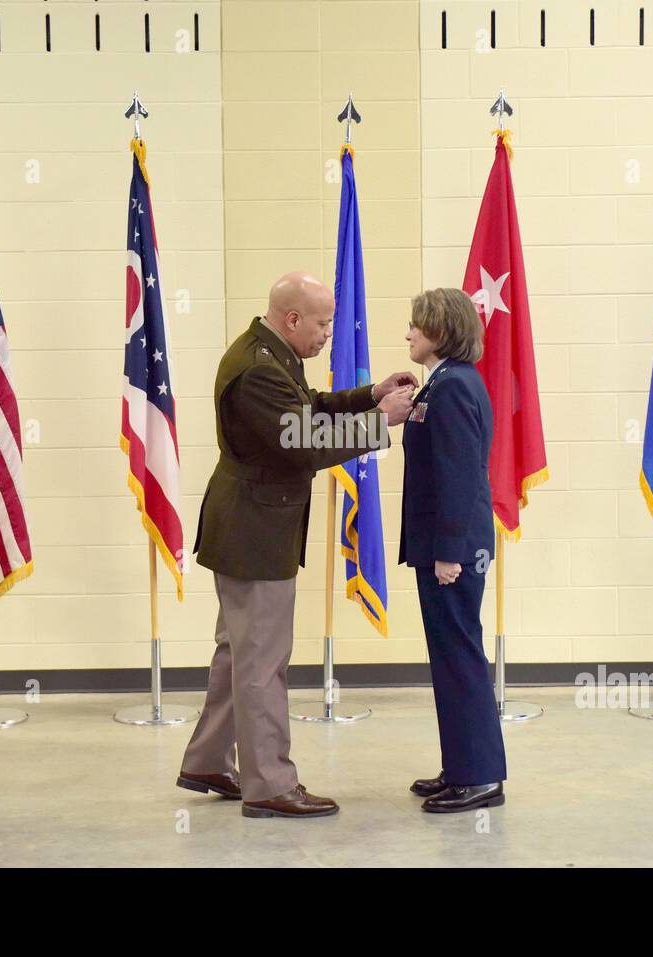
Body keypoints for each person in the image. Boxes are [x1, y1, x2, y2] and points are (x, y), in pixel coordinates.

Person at [178, 272, 417, 818]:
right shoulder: (259, 368)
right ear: (292, 320)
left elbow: (305, 406)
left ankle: (208, 759)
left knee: (238, 655)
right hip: (253, 532)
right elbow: (302, 441)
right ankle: (269, 785)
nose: (329, 332)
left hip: (249, 526)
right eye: (323, 322)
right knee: (263, 662)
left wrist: (368, 395)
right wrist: (379, 422)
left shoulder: (267, 353)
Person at [399, 288, 507, 812]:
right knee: (449, 657)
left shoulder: (455, 388)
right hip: (441, 545)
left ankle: (481, 776)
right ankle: (462, 767)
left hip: (453, 551)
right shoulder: (441, 383)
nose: (409, 334)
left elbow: (460, 477)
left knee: (461, 656)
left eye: (416, 326)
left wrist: (448, 552)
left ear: (439, 330)